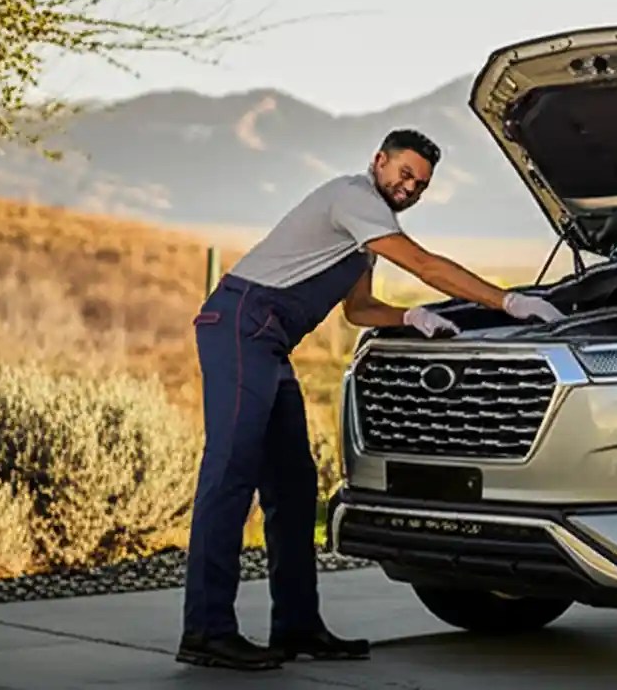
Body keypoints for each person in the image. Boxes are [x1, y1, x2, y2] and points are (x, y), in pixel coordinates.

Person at [177, 129, 565, 671]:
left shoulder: (370, 231)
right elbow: (426, 266)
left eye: (421, 184)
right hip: (240, 324)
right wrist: (507, 301)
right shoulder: (353, 197)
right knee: (230, 472)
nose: (410, 187)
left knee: (293, 486)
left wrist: (408, 316)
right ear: (379, 162)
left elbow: (357, 309)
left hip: (268, 340)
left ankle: (296, 626)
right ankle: (206, 629)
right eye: (404, 173)